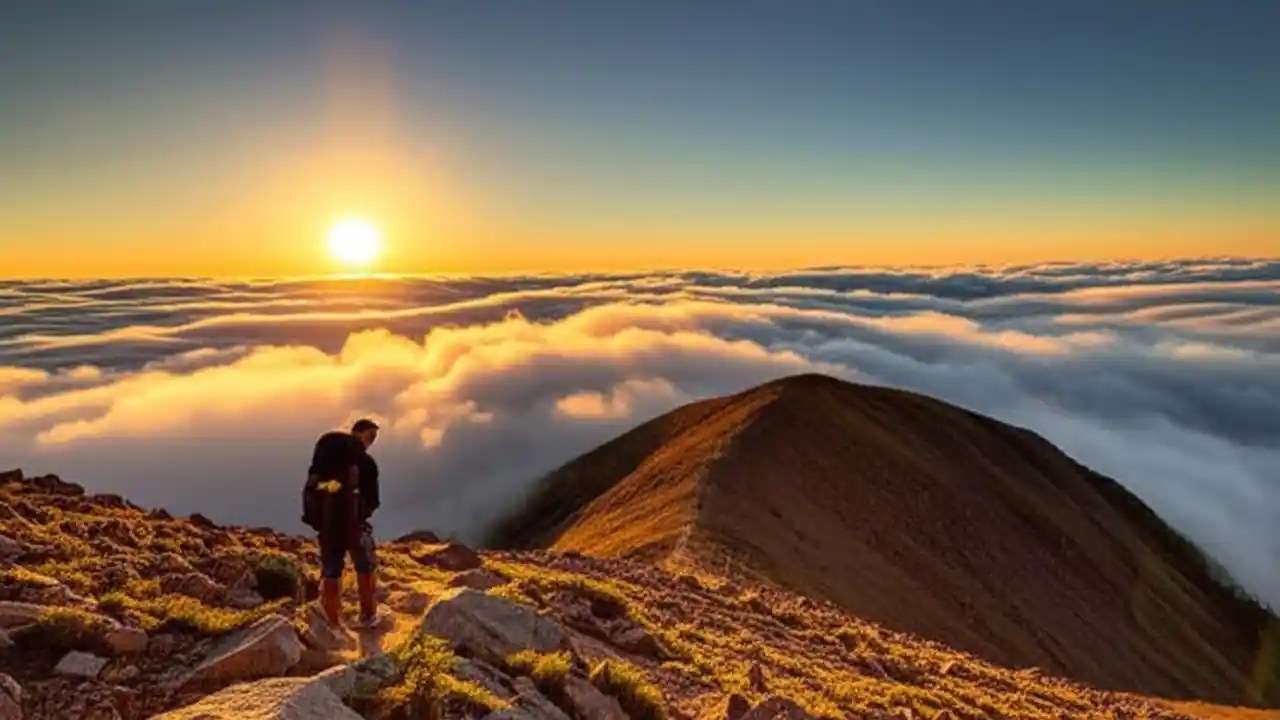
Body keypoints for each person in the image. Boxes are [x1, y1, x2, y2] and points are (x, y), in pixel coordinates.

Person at [304, 419, 381, 631]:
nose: (372, 442)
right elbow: (373, 499)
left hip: (328, 525)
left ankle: (333, 621)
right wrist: (363, 513)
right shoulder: (365, 463)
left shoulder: (326, 455)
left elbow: (312, 487)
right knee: (365, 566)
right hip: (354, 524)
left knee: (331, 570)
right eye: (371, 436)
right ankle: (367, 615)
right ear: (360, 433)